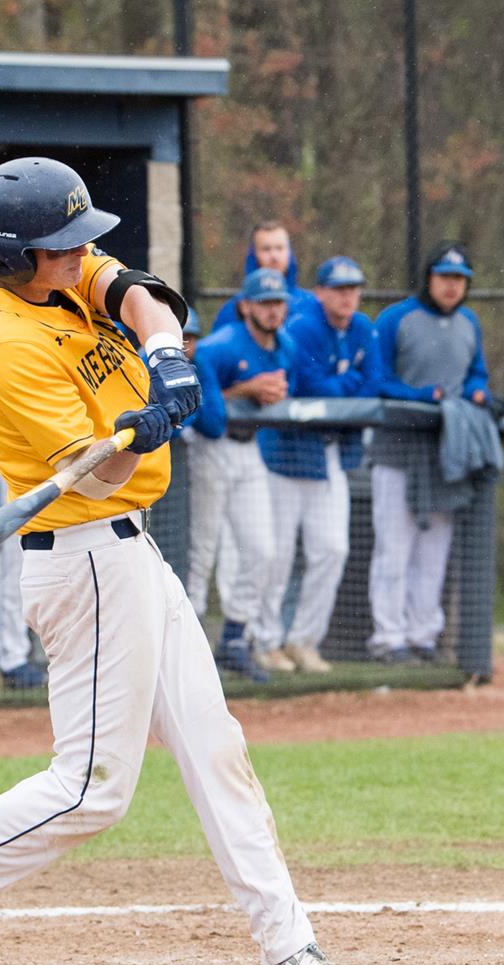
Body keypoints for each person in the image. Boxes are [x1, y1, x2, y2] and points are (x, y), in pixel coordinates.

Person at [0, 157, 365, 965]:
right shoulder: (6, 345)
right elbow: (100, 478)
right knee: (92, 789)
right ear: (13, 259)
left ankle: (286, 944)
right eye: (62, 247)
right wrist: (145, 431)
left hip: (129, 554)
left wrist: (167, 362)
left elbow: (137, 294)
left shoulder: (63, 275)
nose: (81, 257)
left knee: (213, 744)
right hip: (82, 553)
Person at [258, 256, 380, 673]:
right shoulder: (303, 327)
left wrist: (343, 389)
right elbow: (311, 387)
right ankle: (266, 641)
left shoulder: (363, 327)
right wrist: (349, 386)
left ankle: (303, 641)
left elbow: (375, 383)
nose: (348, 296)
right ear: (322, 292)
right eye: (339, 289)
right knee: (276, 555)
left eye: (353, 288)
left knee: (332, 549)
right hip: (288, 452)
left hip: (330, 454)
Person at [367, 240, 486, 663]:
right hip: (397, 449)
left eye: (460, 280)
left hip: (444, 452)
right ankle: (389, 638)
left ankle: (423, 635)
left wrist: (476, 392)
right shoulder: (396, 318)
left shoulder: (469, 322)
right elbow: (376, 380)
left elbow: (477, 374)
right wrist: (419, 396)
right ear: (429, 278)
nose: (452, 287)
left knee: (434, 549)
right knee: (394, 547)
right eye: (445, 277)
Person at [190, 268, 296, 682]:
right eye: (265, 302)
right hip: (212, 450)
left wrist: (267, 392)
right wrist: (248, 389)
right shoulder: (219, 346)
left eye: (278, 302)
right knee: (203, 551)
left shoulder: (285, 346)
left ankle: (234, 637)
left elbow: (292, 390)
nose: (272, 310)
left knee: (263, 550)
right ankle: (192, 645)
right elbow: (206, 402)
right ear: (246, 306)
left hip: (249, 450)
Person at [207, 221, 321, 334]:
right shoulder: (236, 309)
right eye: (266, 249)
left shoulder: (309, 304)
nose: (274, 256)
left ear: (289, 253)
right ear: (254, 254)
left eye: (279, 248)